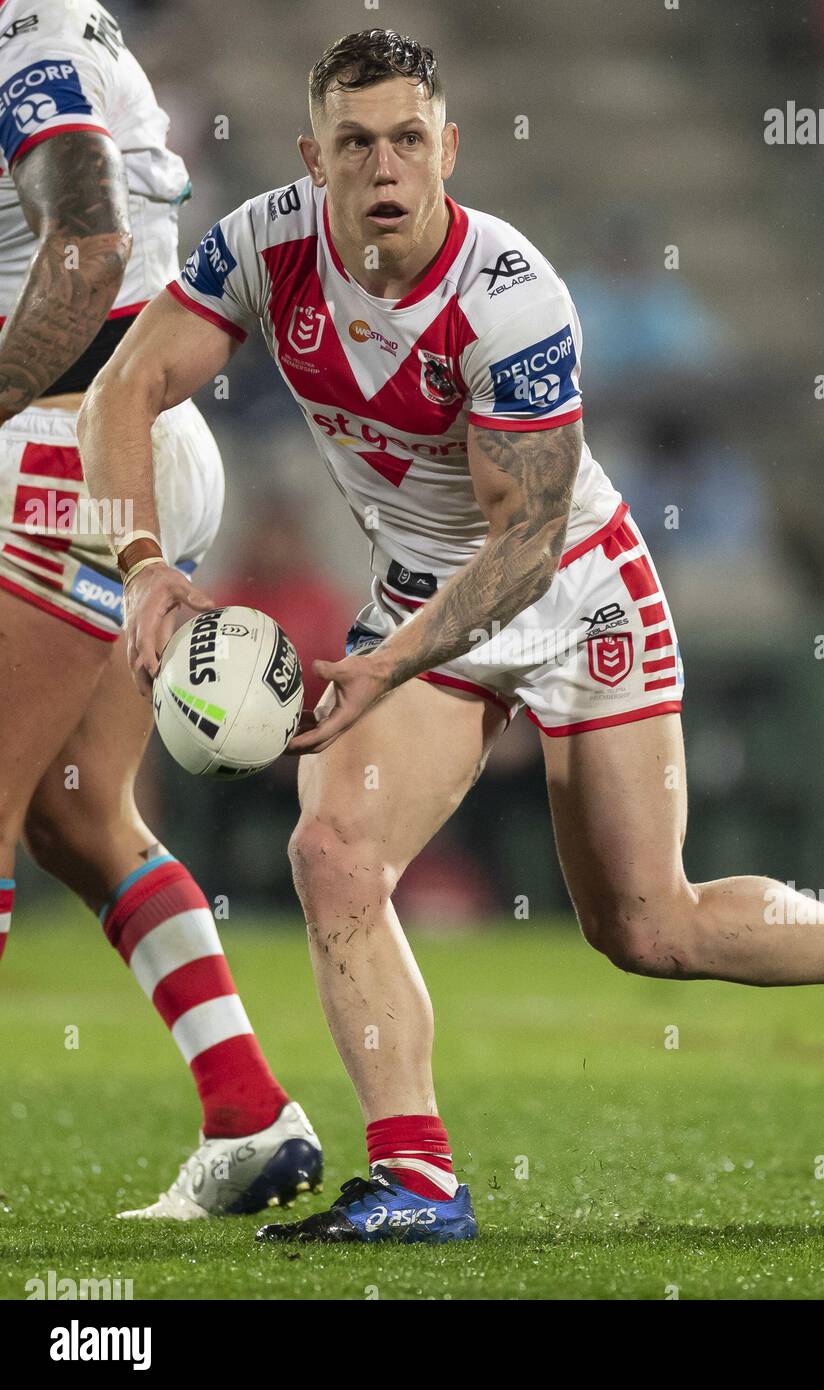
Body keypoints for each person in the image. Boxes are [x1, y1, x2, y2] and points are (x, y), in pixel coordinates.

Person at [80, 28, 824, 1246]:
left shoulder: (508, 297)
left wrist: (384, 661)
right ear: (312, 159)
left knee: (645, 926)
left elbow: (520, 549)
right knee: (335, 854)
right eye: (354, 143)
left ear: (449, 147)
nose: (383, 167)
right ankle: (416, 1181)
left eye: (408, 137)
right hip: (422, 596)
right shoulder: (265, 245)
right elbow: (120, 391)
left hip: (575, 594)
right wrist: (145, 573)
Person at [0, 0, 321, 1218]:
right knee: (83, 821)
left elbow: (84, 251)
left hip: (60, 449)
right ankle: (248, 1112)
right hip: (120, 445)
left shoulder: (23, 40)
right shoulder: (54, 29)